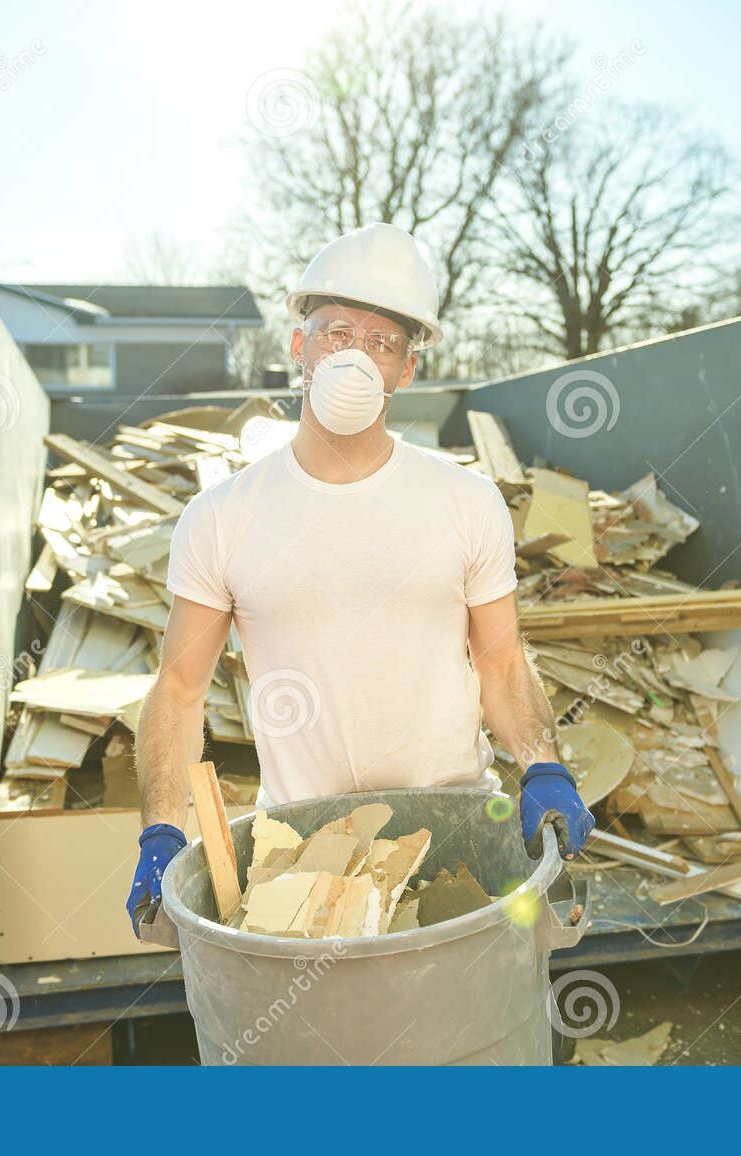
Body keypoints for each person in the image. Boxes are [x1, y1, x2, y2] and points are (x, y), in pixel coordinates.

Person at [126, 222, 592, 935]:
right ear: (298, 346)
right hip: (306, 852)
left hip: (461, 836)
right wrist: (161, 830)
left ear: (407, 371)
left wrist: (542, 763)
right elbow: (181, 691)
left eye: (381, 344)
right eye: (337, 332)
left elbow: (500, 663)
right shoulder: (223, 517)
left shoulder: (465, 502)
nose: (356, 357)